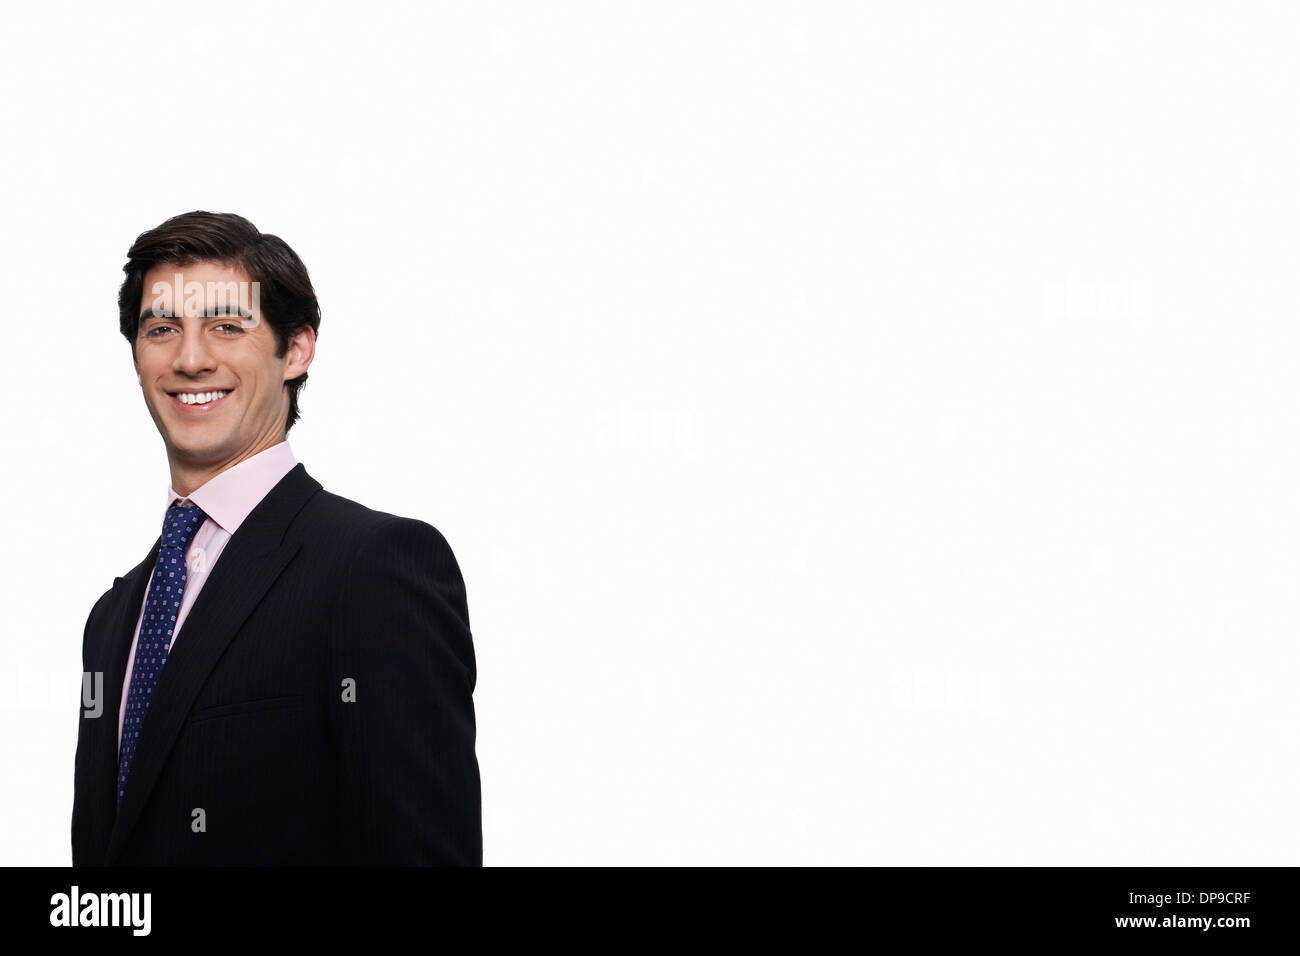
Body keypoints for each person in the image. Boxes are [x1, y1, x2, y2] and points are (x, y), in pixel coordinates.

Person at [71, 211, 481, 865]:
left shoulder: (375, 570)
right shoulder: (114, 615)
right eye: (161, 329)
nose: (191, 358)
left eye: (227, 327)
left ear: (296, 350)